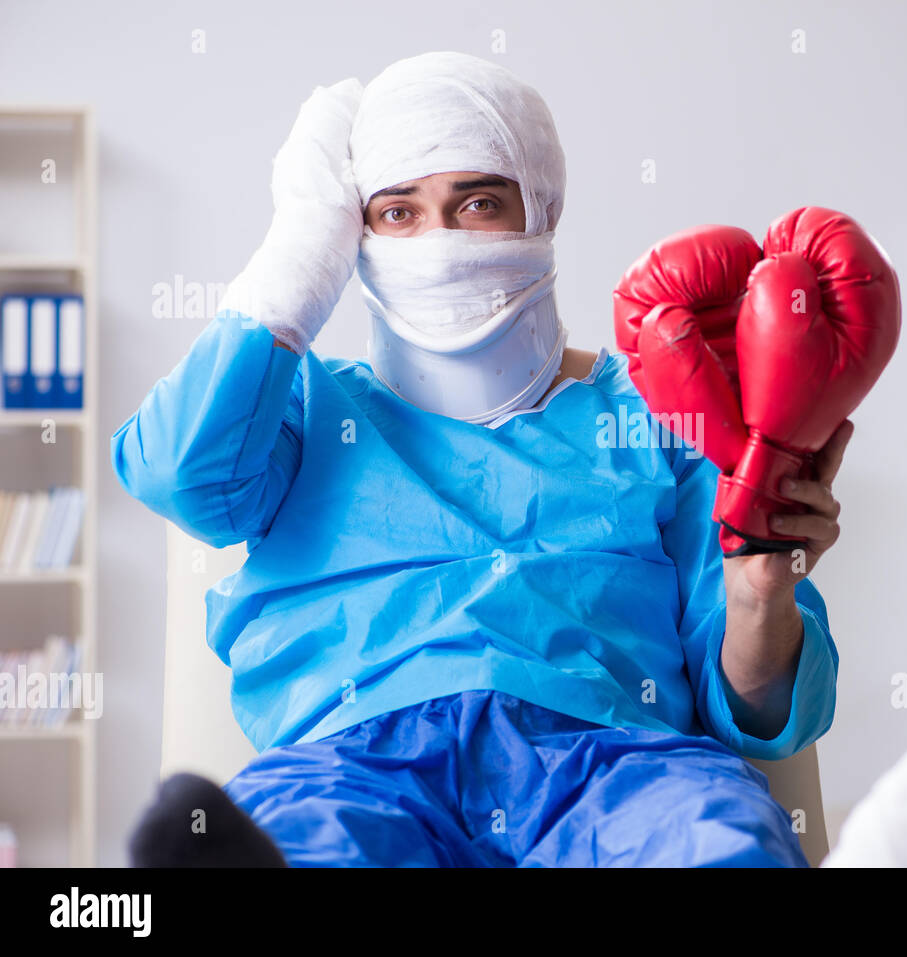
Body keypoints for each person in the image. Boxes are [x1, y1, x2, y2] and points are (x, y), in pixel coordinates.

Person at [115, 51, 845, 867]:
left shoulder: (659, 408)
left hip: (612, 763)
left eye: (479, 202)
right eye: (397, 214)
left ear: (541, 211)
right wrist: (292, 261)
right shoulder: (302, 406)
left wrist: (758, 593)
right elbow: (180, 476)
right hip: (351, 767)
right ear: (352, 235)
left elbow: (758, 706)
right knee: (308, 849)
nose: (440, 242)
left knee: (715, 840)